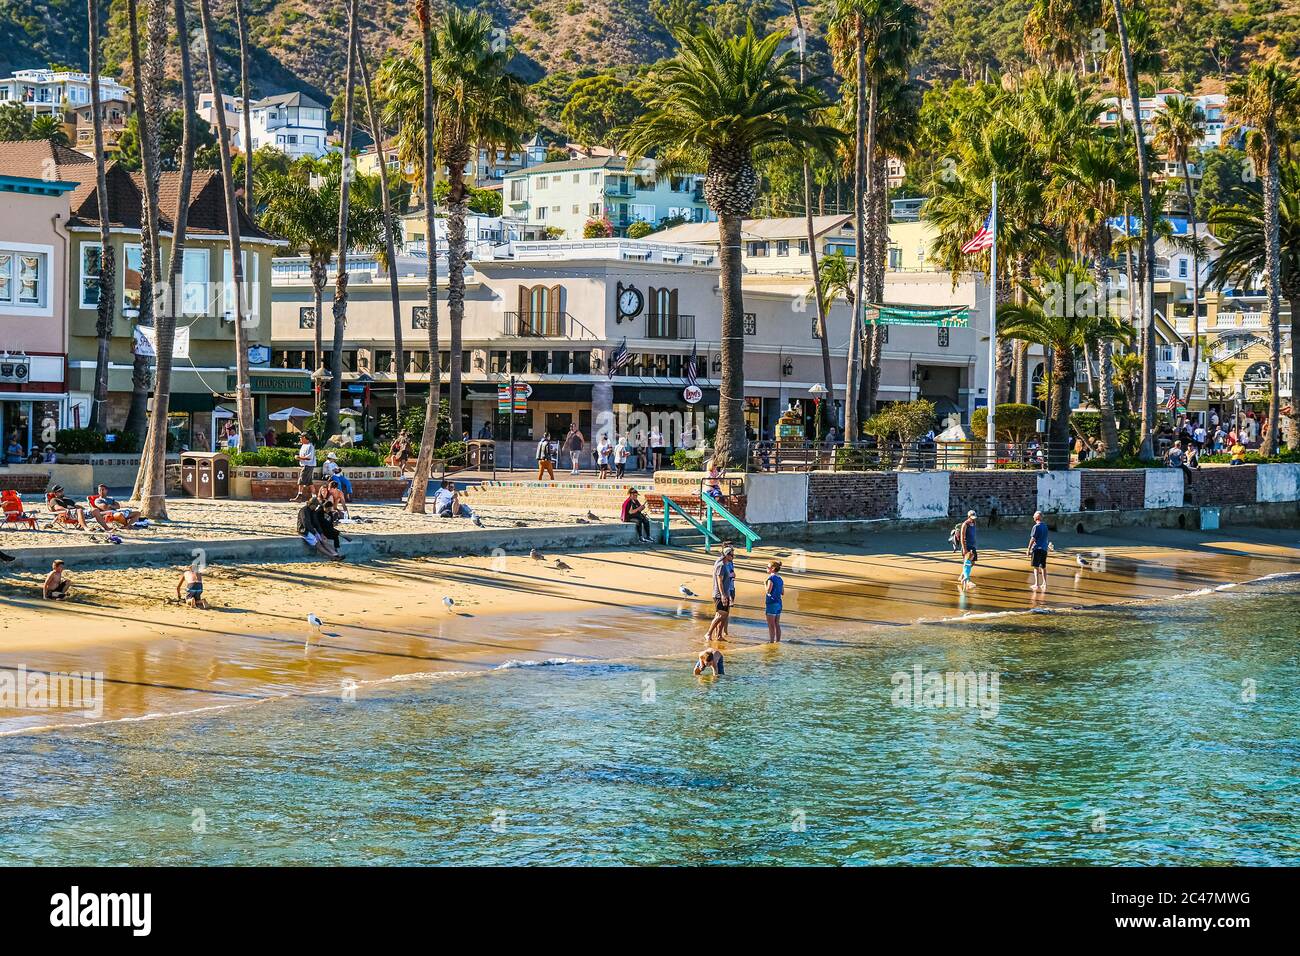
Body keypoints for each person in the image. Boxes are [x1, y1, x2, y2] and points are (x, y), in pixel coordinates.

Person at [706, 546, 736, 641]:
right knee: (720, 615)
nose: (733, 557)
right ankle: (708, 634)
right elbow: (719, 581)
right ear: (726, 555)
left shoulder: (726, 564)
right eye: (731, 555)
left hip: (725, 593)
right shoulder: (721, 565)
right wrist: (723, 595)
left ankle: (719, 636)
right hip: (719, 594)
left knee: (725, 615)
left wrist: (728, 595)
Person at [291, 433, 316, 503]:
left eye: (301, 437)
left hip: (308, 465)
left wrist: (298, 458)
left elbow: (309, 458)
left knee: (301, 481)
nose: (300, 439)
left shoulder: (310, 446)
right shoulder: (304, 445)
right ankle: (314, 498)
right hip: (306, 465)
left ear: (304, 438)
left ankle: (299, 497)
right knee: (310, 482)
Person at [1027, 511, 1049, 592]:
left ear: (1036, 518)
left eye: (1034, 516)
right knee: (1043, 566)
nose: (1033, 517)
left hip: (1037, 549)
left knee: (1036, 567)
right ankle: (1045, 583)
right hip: (1044, 548)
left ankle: (1036, 584)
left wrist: (1028, 549)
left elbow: (1033, 539)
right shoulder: (1045, 526)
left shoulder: (1036, 527)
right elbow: (1045, 537)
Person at [764, 560, 785, 642]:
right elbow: (782, 592)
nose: (766, 568)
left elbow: (768, 591)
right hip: (779, 603)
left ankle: (771, 642)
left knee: (771, 625)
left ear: (773, 568)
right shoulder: (780, 579)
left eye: (768, 567)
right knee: (777, 624)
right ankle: (778, 641)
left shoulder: (771, 578)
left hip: (771, 603)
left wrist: (765, 584)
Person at [958, 511, 978, 590]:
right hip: (967, 546)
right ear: (968, 517)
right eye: (972, 518)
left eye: (974, 518)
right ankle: (967, 580)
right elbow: (962, 537)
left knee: (972, 563)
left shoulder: (974, 523)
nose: (973, 519)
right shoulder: (965, 524)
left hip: (973, 546)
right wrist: (964, 549)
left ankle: (961, 576)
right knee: (967, 563)